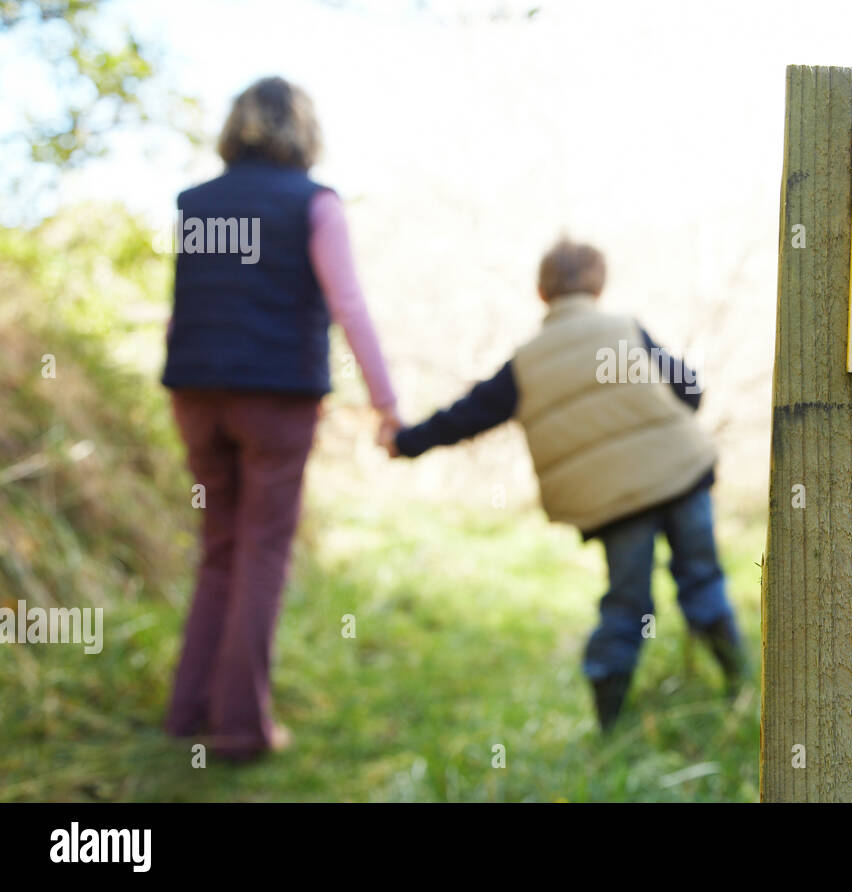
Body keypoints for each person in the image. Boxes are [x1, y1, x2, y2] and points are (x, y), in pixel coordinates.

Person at [385, 239, 743, 731]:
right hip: (681, 477)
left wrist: (405, 442)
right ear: (599, 283)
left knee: (626, 602)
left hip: (614, 501)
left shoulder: (527, 362)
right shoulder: (624, 330)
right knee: (702, 580)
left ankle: (610, 723)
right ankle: (738, 692)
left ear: (541, 292)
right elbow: (691, 390)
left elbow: (466, 416)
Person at [161, 77, 398, 760]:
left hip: (195, 393)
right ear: (303, 129)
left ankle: (188, 715)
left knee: (219, 552)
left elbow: (185, 306)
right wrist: (386, 403)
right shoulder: (314, 204)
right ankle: (239, 730)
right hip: (276, 400)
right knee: (262, 553)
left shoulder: (197, 203)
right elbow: (348, 304)